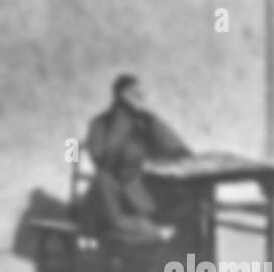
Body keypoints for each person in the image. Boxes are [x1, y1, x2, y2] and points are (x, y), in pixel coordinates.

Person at [82, 73, 192, 243]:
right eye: (135, 93)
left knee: (190, 204)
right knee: (129, 225)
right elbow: (100, 156)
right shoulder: (101, 123)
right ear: (121, 95)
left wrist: (172, 157)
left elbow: (175, 147)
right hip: (111, 191)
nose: (142, 97)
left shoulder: (147, 121)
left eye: (141, 93)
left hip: (144, 188)